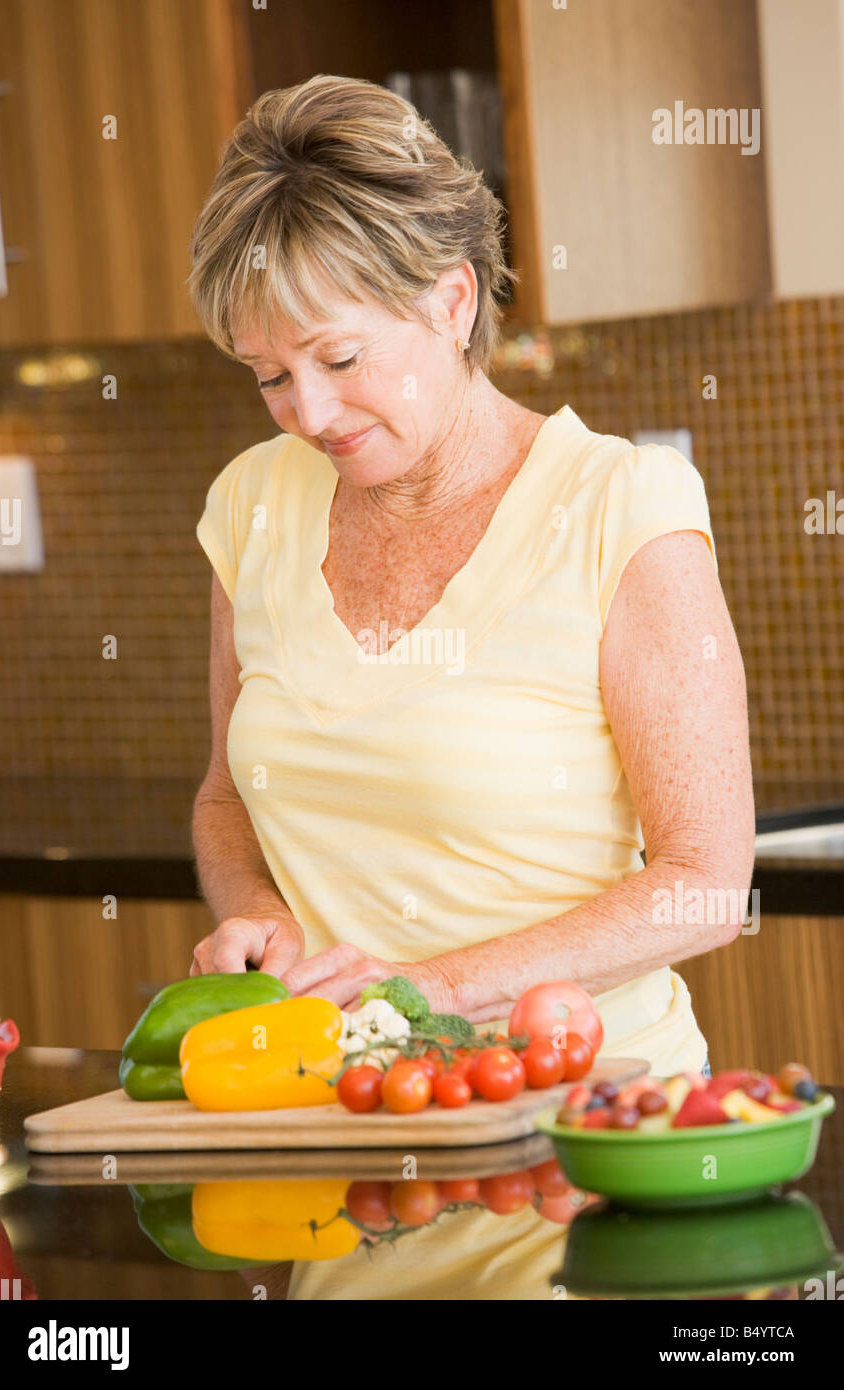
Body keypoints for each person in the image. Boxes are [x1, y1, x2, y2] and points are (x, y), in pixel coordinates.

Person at [188, 72, 754, 1085]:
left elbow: (703, 885)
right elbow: (228, 799)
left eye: (339, 357)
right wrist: (258, 918)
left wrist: (426, 993)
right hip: (346, 1114)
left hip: (582, 1125)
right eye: (268, 374)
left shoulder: (620, 506)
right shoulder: (251, 505)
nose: (307, 412)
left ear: (451, 299)